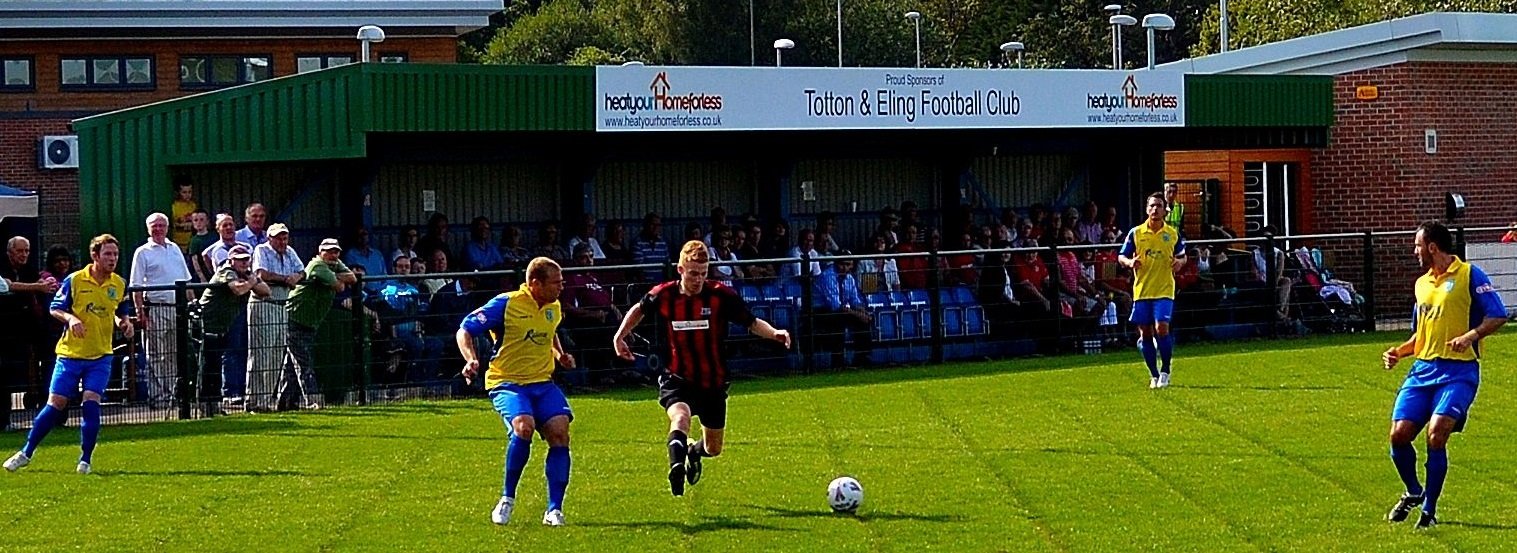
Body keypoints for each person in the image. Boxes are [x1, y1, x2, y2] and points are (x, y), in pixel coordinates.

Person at [612, 241, 792, 497]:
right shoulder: (664, 294)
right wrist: (620, 336)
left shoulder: (720, 295)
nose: (698, 279)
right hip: (678, 377)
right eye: (693, 273)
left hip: (713, 382)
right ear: (680, 269)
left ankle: (693, 453)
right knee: (680, 418)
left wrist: (775, 333)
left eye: (703, 273)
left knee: (714, 448)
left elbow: (751, 322)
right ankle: (675, 467)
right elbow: (639, 310)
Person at [1381, 221, 1507, 530]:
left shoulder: (1469, 275)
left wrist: (1470, 336)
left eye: (1417, 245)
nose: (1415, 251)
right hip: (1423, 370)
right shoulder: (1421, 284)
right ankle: (1413, 491)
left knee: (1436, 434)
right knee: (1398, 435)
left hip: (1459, 371)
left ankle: (1429, 510)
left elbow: (1498, 314)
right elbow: (1420, 336)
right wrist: (1398, 352)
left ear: (1432, 247)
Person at [456, 257, 577, 527]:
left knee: (560, 432)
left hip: (542, 383)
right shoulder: (506, 303)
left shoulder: (553, 306)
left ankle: (554, 510)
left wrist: (560, 355)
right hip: (507, 382)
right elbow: (465, 328)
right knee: (524, 427)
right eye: (556, 282)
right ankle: (507, 498)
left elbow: (550, 331)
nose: (562, 287)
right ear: (535, 283)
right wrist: (470, 359)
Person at [5, 235, 132, 474]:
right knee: (55, 404)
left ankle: (85, 461)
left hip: (100, 356)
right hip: (70, 355)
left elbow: (120, 311)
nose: (112, 259)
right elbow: (55, 308)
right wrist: (72, 318)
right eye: (107, 254)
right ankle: (26, 452)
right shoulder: (75, 280)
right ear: (95, 255)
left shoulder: (119, 284)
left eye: (115, 254)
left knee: (91, 402)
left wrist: (124, 322)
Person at [1118, 192, 1186, 389]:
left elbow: (1183, 256)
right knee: (1145, 334)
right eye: (1152, 206)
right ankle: (1154, 375)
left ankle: (1165, 370)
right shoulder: (1136, 233)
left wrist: (1179, 263)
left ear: (1165, 210)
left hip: (1164, 289)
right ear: (1147, 209)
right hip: (1142, 291)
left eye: (1159, 206)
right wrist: (1130, 262)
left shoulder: (1172, 234)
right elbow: (1121, 256)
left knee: (1161, 327)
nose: (1155, 209)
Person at [281, 238, 355, 410]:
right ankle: (313, 400)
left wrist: (335, 275)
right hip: (295, 318)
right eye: (329, 251)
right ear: (320, 252)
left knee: (291, 366)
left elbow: (352, 278)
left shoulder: (335, 264)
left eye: (336, 251)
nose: (333, 255)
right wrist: (336, 278)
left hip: (310, 321)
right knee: (303, 363)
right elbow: (340, 287)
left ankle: (284, 403)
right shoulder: (317, 265)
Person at [130, 212, 194, 407]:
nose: (158, 229)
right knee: (156, 355)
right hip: (156, 309)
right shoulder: (142, 252)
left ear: (167, 228)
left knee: (176, 354)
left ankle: (175, 395)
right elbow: (136, 285)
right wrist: (140, 312)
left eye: (161, 225)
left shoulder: (175, 249)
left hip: (178, 309)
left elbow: (186, 281)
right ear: (148, 229)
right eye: (154, 226)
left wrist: (192, 305)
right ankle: (159, 398)